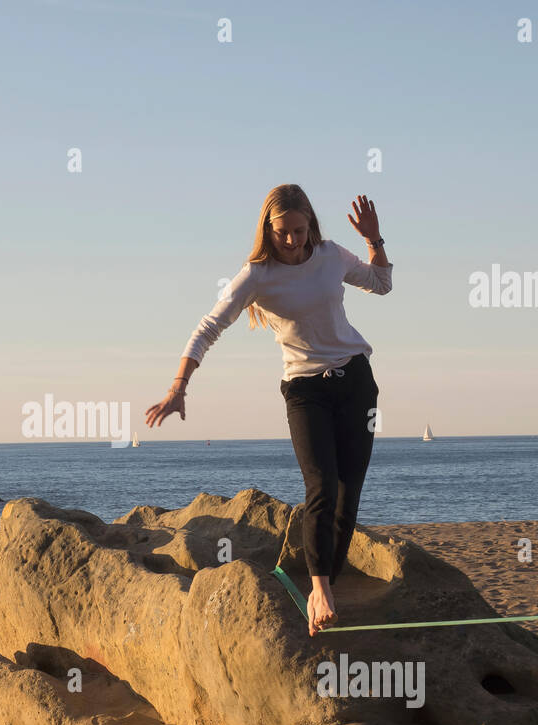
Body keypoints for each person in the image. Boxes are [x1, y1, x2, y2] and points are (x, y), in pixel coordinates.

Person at [144, 185, 392, 636]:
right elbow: (208, 327)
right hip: (304, 390)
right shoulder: (257, 275)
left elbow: (381, 285)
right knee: (320, 485)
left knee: (347, 490)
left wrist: (374, 242)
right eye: (283, 234)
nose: (293, 241)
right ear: (268, 230)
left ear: (311, 224)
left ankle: (326, 589)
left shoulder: (332, 256)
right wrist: (179, 385)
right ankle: (319, 590)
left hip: (355, 382)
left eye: (299, 230)